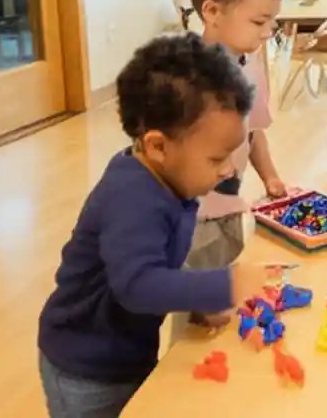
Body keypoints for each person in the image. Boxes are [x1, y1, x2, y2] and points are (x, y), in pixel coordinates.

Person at [37, 35, 274, 418]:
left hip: (126, 351)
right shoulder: (132, 197)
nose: (229, 169)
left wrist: (197, 299)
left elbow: (157, 263)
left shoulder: (169, 178)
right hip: (86, 368)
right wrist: (224, 284)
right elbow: (137, 285)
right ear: (159, 147)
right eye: (217, 158)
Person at [186, 0, 288, 277]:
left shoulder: (250, 64)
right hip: (192, 214)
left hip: (229, 202)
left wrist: (270, 177)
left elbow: (254, 132)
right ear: (212, 12)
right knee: (196, 294)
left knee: (225, 269)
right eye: (259, 22)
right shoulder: (186, 77)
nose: (267, 33)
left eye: (271, 23)